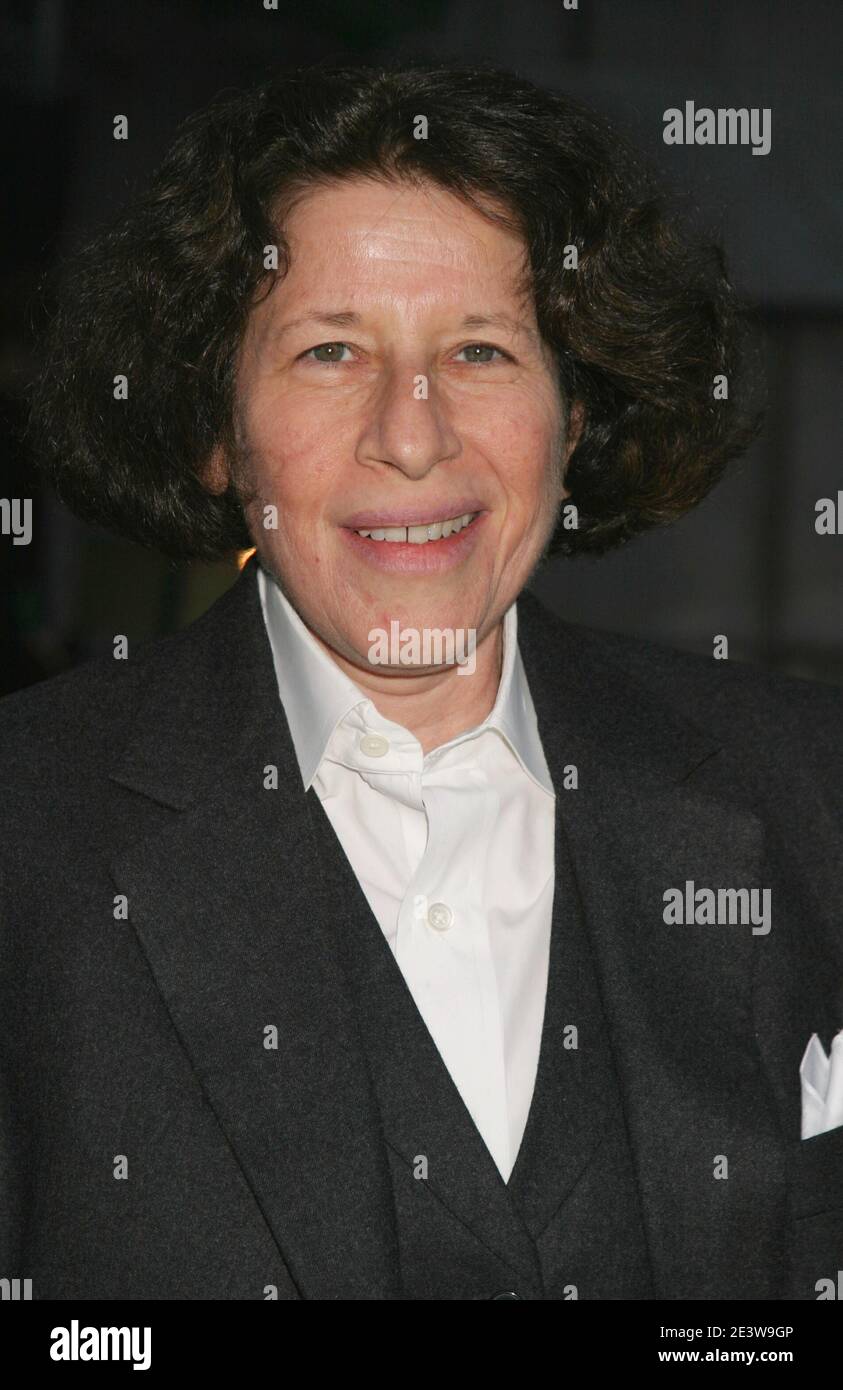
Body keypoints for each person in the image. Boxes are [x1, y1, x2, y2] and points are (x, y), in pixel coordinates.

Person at [2, 61, 841, 1301]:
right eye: (332, 350)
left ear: (575, 417)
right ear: (217, 432)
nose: (414, 430)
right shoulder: (28, 831)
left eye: (484, 351)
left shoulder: (811, 786)